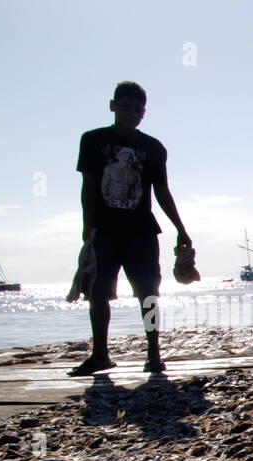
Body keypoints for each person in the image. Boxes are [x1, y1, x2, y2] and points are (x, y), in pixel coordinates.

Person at [70, 81, 192, 376]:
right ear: (113, 106)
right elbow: (88, 185)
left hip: (142, 232)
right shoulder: (93, 140)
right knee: (98, 294)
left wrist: (181, 228)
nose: (131, 113)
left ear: (144, 113)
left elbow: (162, 191)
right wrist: (88, 225)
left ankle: (153, 355)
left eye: (137, 109)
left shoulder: (152, 148)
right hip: (104, 231)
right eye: (125, 106)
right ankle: (100, 355)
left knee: (148, 294)